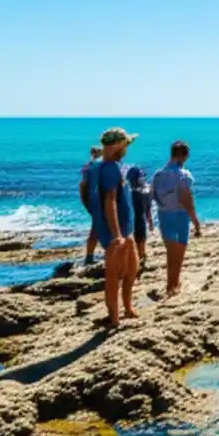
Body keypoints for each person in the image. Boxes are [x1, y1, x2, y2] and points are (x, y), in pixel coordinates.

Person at [88, 128, 140, 327]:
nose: (127, 148)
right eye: (126, 143)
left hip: (126, 230)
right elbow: (109, 201)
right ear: (118, 145)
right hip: (115, 233)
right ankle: (114, 318)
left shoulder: (111, 166)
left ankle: (127, 308)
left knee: (130, 269)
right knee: (113, 274)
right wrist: (116, 235)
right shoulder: (110, 168)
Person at [152, 140, 201, 297]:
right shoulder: (183, 175)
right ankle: (173, 286)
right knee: (178, 254)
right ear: (184, 156)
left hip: (163, 214)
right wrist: (196, 223)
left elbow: (153, 196)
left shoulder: (158, 174)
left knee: (170, 252)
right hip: (179, 215)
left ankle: (170, 284)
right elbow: (187, 200)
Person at [79, 145, 102, 265]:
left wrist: (86, 203)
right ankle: (90, 256)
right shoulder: (101, 165)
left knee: (96, 228)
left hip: (93, 200)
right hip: (100, 199)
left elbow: (83, 186)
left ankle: (89, 256)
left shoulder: (87, 167)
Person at [127, 167, 154, 264]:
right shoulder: (147, 190)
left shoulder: (134, 193)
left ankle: (140, 256)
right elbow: (148, 208)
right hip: (141, 217)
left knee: (138, 237)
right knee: (142, 236)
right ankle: (142, 254)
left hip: (135, 219)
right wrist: (150, 221)